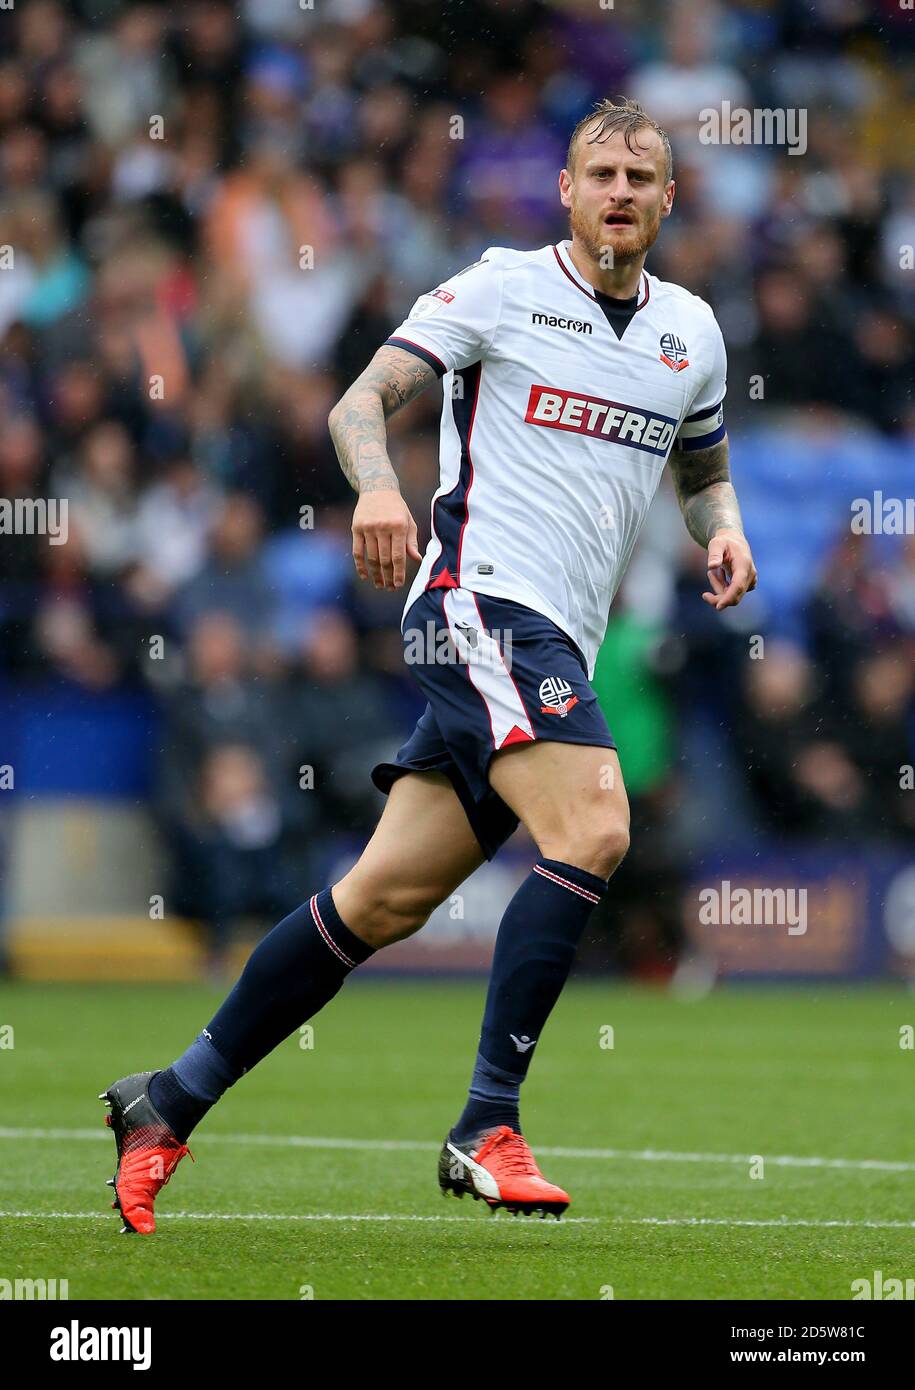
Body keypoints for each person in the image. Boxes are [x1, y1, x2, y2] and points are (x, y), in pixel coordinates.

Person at [100, 98, 757, 1233]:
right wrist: (377, 484)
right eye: (597, 172)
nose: (617, 192)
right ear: (564, 188)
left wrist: (725, 529)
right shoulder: (499, 287)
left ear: (665, 197)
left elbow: (702, 473)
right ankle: (485, 1123)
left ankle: (168, 1098)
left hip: (557, 634)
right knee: (595, 825)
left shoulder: (690, 332)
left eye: (639, 177)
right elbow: (362, 402)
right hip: (478, 603)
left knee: (383, 897)